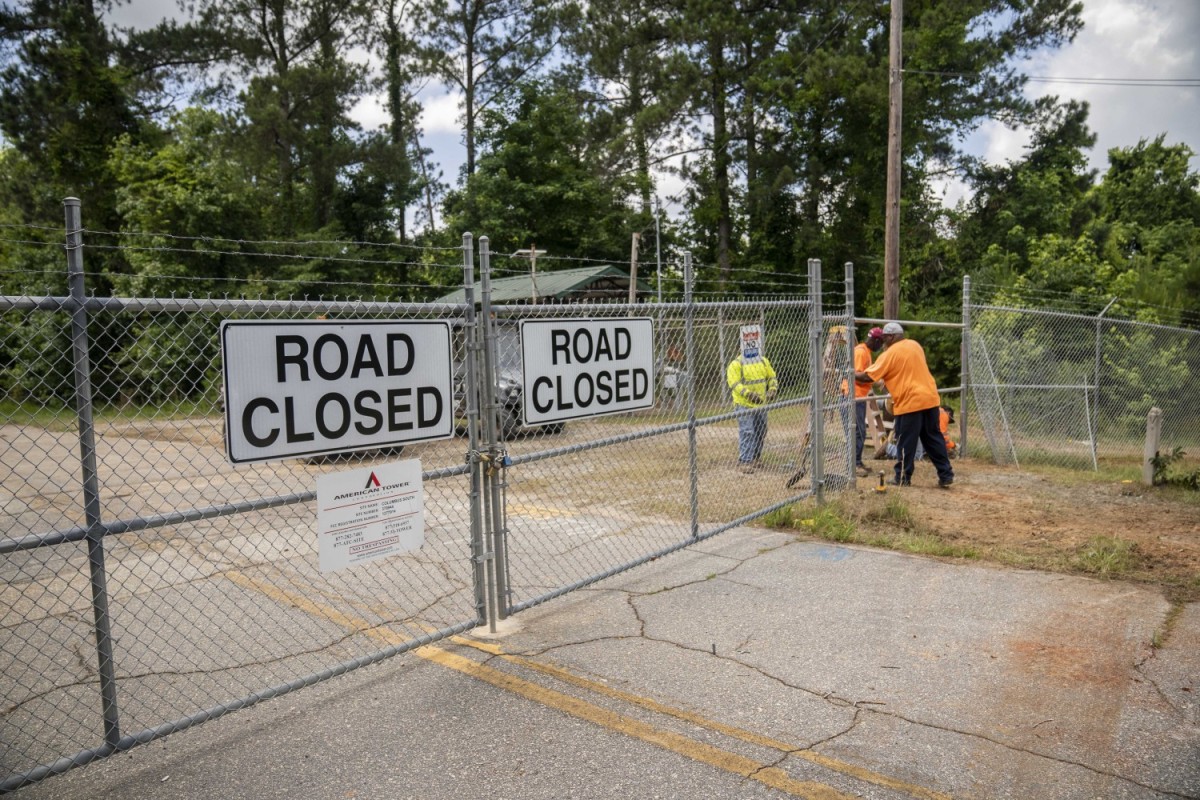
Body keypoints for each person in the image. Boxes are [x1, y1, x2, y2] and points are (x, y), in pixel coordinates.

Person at [854, 322, 954, 488]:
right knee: (933, 438)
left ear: (891, 337)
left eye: (885, 338)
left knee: (905, 441)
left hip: (909, 403)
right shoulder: (915, 345)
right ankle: (946, 474)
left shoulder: (889, 354)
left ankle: (902, 478)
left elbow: (867, 377)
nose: (883, 342)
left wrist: (848, 372)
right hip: (930, 399)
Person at [727, 338, 779, 474]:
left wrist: (773, 389)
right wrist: (749, 394)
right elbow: (734, 383)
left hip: (761, 404)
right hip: (744, 404)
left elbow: (772, 376)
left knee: (761, 431)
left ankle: (756, 458)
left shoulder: (762, 361)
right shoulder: (736, 364)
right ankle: (745, 461)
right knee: (747, 431)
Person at [843, 327, 884, 477]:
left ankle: (857, 462)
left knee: (859, 431)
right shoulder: (861, 352)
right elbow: (856, 375)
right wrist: (874, 378)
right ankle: (854, 465)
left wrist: (874, 380)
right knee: (857, 432)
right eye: (881, 343)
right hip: (852, 396)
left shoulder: (866, 351)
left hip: (858, 396)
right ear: (876, 341)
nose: (881, 346)